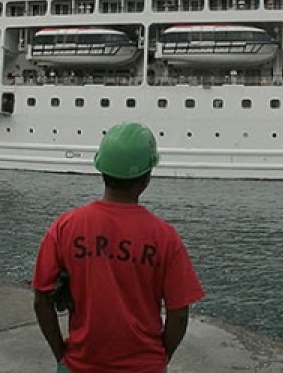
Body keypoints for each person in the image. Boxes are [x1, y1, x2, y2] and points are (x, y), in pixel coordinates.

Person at [32, 122, 204, 373]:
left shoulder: (65, 227)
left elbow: (41, 299)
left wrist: (61, 354)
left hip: (79, 364)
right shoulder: (165, 237)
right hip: (145, 367)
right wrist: (160, 358)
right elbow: (178, 314)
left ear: (101, 170)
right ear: (146, 177)